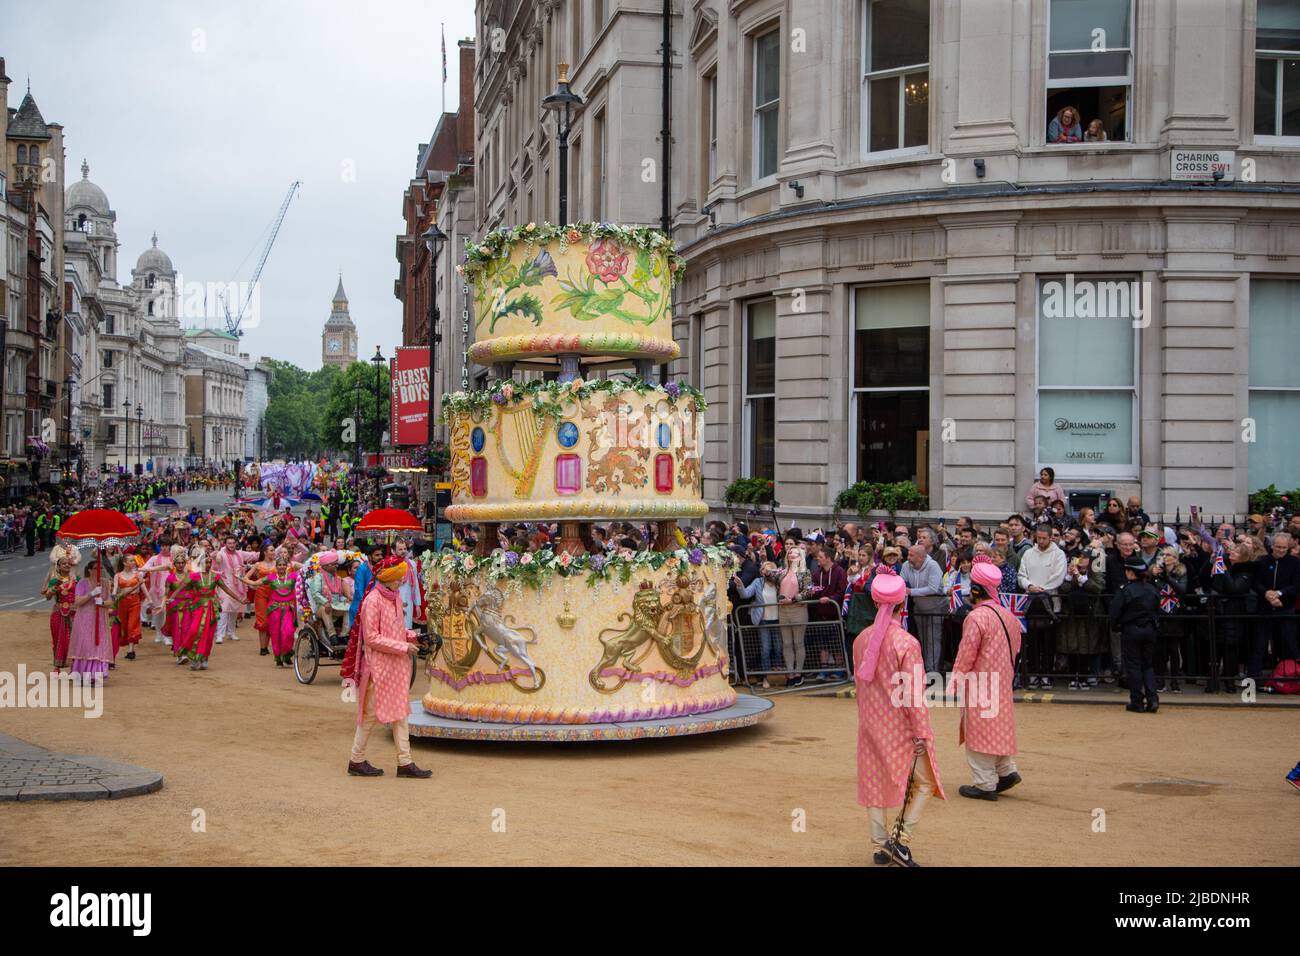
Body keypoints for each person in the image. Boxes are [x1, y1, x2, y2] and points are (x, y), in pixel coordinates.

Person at [853, 568, 943, 866]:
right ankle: (900, 841)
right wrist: (921, 732)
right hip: (900, 727)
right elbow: (913, 694)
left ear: (875, 602)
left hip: (870, 723)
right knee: (926, 783)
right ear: (903, 604)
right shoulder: (906, 643)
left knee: (874, 782)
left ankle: (881, 846)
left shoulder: (861, 640)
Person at [345, 556, 431, 779]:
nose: (403, 580)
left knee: (400, 714)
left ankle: (405, 762)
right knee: (370, 715)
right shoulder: (373, 601)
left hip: (395, 666)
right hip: (378, 667)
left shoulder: (393, 597)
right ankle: (356, 759)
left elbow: (396, 631)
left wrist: (415, 637)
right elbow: (372, 638)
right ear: (390, 579)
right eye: (400, 577)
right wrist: (404, 647)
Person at [950, 556, 1022, 801]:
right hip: (1003, 678)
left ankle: (985, 784)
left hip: (981, 682)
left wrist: (956, 679)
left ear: (976, 590)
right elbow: (1017, 648)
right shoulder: (1008, 614)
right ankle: (1006, 771)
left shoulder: (976, 617)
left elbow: (966, 652)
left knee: (978, 731)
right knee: (998, 726)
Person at [1110, 555, 1161, 713]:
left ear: (1130, 572)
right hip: (1150, 630)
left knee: (1133, 666)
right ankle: (1153, 699)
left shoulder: (1126, 590)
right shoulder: (1152, 589)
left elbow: (1115, 611)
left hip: (1131, 630)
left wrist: (1116, 626)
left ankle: (1137, 701)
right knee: (1147, 665)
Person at [1018, 524, 1066, 687]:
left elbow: (1058, 576)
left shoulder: (1058, 554)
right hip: (1031, 601)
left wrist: (1041, 589)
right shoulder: (1028, 553)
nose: (1042, 541)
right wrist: (1030, 586)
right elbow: (1021, 575)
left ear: (1050, 537)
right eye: (1039, 538)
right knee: (1032, 641)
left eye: (1045, 538)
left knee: (1048, 642)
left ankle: (1046, 674)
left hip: (1051, 602)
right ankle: (1032, 673)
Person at [1251, 531, 1298, 686]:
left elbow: (1296, 586)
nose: (1281, 550)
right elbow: (1256, 582)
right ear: (1272, 547)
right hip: (1265, 608)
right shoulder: (1262, 561)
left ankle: (1290, 677)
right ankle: (1254, 678)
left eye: (1284, 547)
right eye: (1278, 547)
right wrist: (1267, 594)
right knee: (1260, 644)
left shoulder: (1294, 562)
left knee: (1288, 642)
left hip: (1285, 608)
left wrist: (1279, 594)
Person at [68, 556, 113, 683]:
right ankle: (82, 672)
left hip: (100, 619)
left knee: (99, 644)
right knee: (86, 644)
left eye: (101, 568)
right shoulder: (82, 583)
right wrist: (91, 594)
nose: (99, 570)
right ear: (89, 570)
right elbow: (77, 601)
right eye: (96, 568)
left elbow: (110, 602)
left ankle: (96, 674)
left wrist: (102, 601)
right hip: (85, 619)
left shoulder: (105, 583)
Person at [213, 537, 258, 644]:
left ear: (236, 544)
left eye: (233, 543)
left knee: (234, 610)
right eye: (229, 543)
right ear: (225, 544)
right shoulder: (221, 553)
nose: (231, 545)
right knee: (224, 609)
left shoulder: (240, 553)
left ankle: (231, 633)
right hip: (224, 585)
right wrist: (217, 554)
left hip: (238, 586)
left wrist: (276, 549)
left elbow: (254, 555)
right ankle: (220, 635)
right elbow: (212, 562)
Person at [42, 544, 79, 671]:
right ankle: (57, 666)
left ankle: (74, 666)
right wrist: (53, 589)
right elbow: (47, 597)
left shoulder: (76, 579)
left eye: (69, 563)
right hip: (58, 613)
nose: (67, 566)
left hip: (74, 613)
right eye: (64, 564)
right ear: (59, 566)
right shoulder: (54, 580)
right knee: (58, 639)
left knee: (73, 639)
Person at [263, 551, 300, 667]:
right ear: (276, 566)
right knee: (276, 633)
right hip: (274, 608)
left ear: (287, 566)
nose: (282, 567)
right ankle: (279, 658)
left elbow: (305, 572)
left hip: (289, 608)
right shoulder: (271, 577)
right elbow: (255, 583)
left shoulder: (294, 576)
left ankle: (287, 654)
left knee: (288, 632)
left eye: (284, 564)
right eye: (279, 565)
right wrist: (242, 578)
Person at [112, 556, 144, 662]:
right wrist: (113, 595)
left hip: (135, 601)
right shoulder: (117, 575)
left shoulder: (137, 574)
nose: (133, 562)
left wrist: (150, 599)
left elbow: (143, 587)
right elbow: (115, 588)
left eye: (133, 560)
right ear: (124, 563)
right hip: (122, 602)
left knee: (132, 625)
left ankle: (131, 650)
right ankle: (130, 648)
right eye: (131, 560)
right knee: (124, 625)